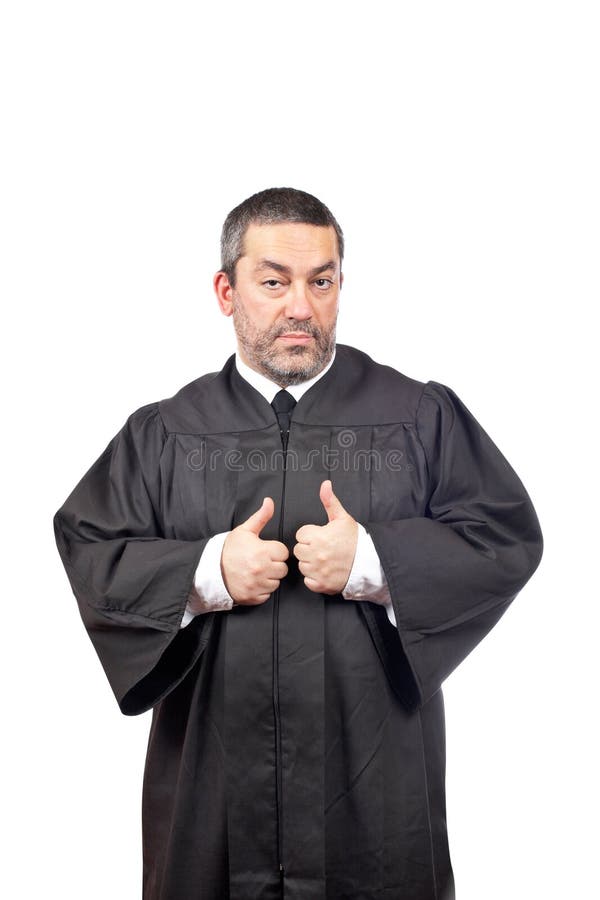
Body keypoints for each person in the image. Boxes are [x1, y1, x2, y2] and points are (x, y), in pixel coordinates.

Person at [53, 187, 543, 900]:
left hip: (375, 803)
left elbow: (503, 534)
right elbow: (91, 544)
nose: (301, 307)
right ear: (227, 290)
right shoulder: (165, 433)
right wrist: (205, 570)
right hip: (212, 800)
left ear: (342, 285)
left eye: (322, 281)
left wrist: (372, 562)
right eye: (274, 281)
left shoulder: (416, 416)